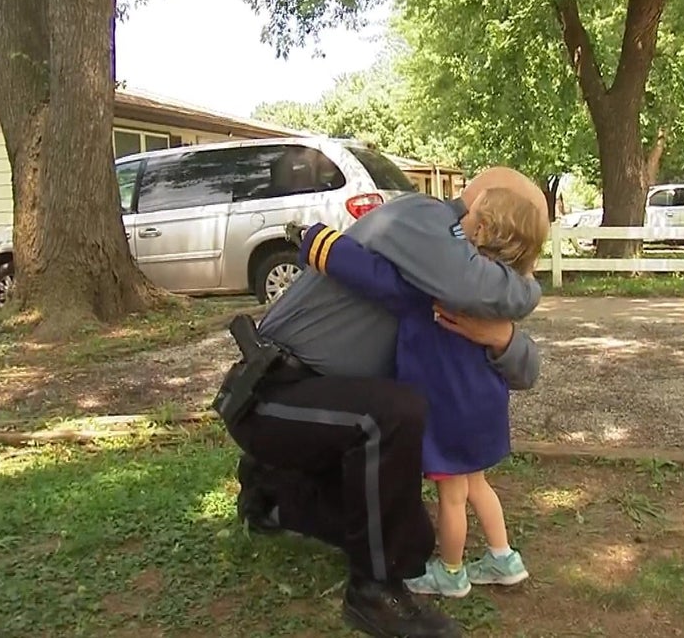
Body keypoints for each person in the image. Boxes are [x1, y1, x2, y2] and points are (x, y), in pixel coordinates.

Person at [213, 167, 549, 638]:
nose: (517, 258)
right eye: (518, 241)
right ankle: (373, 594)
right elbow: (476, 289)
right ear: (485, 213)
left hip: (327, 403)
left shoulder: (463, 266)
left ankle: (271, 493)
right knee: (394, 414)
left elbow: (526, 370)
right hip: (272, 394)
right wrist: (530, 288)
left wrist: (499, 337)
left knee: (411, 540)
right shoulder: (423, 221)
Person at [295, 184, 546, 599]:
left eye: (468, 217)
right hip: (483, 408)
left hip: (449, 411)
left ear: (482, 230)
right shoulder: (500, 298)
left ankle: (451, 573)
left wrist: (317, 242)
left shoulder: (435, 291)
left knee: (452, 496)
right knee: (477, 484)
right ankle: (504, 558)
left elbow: (373, 276)